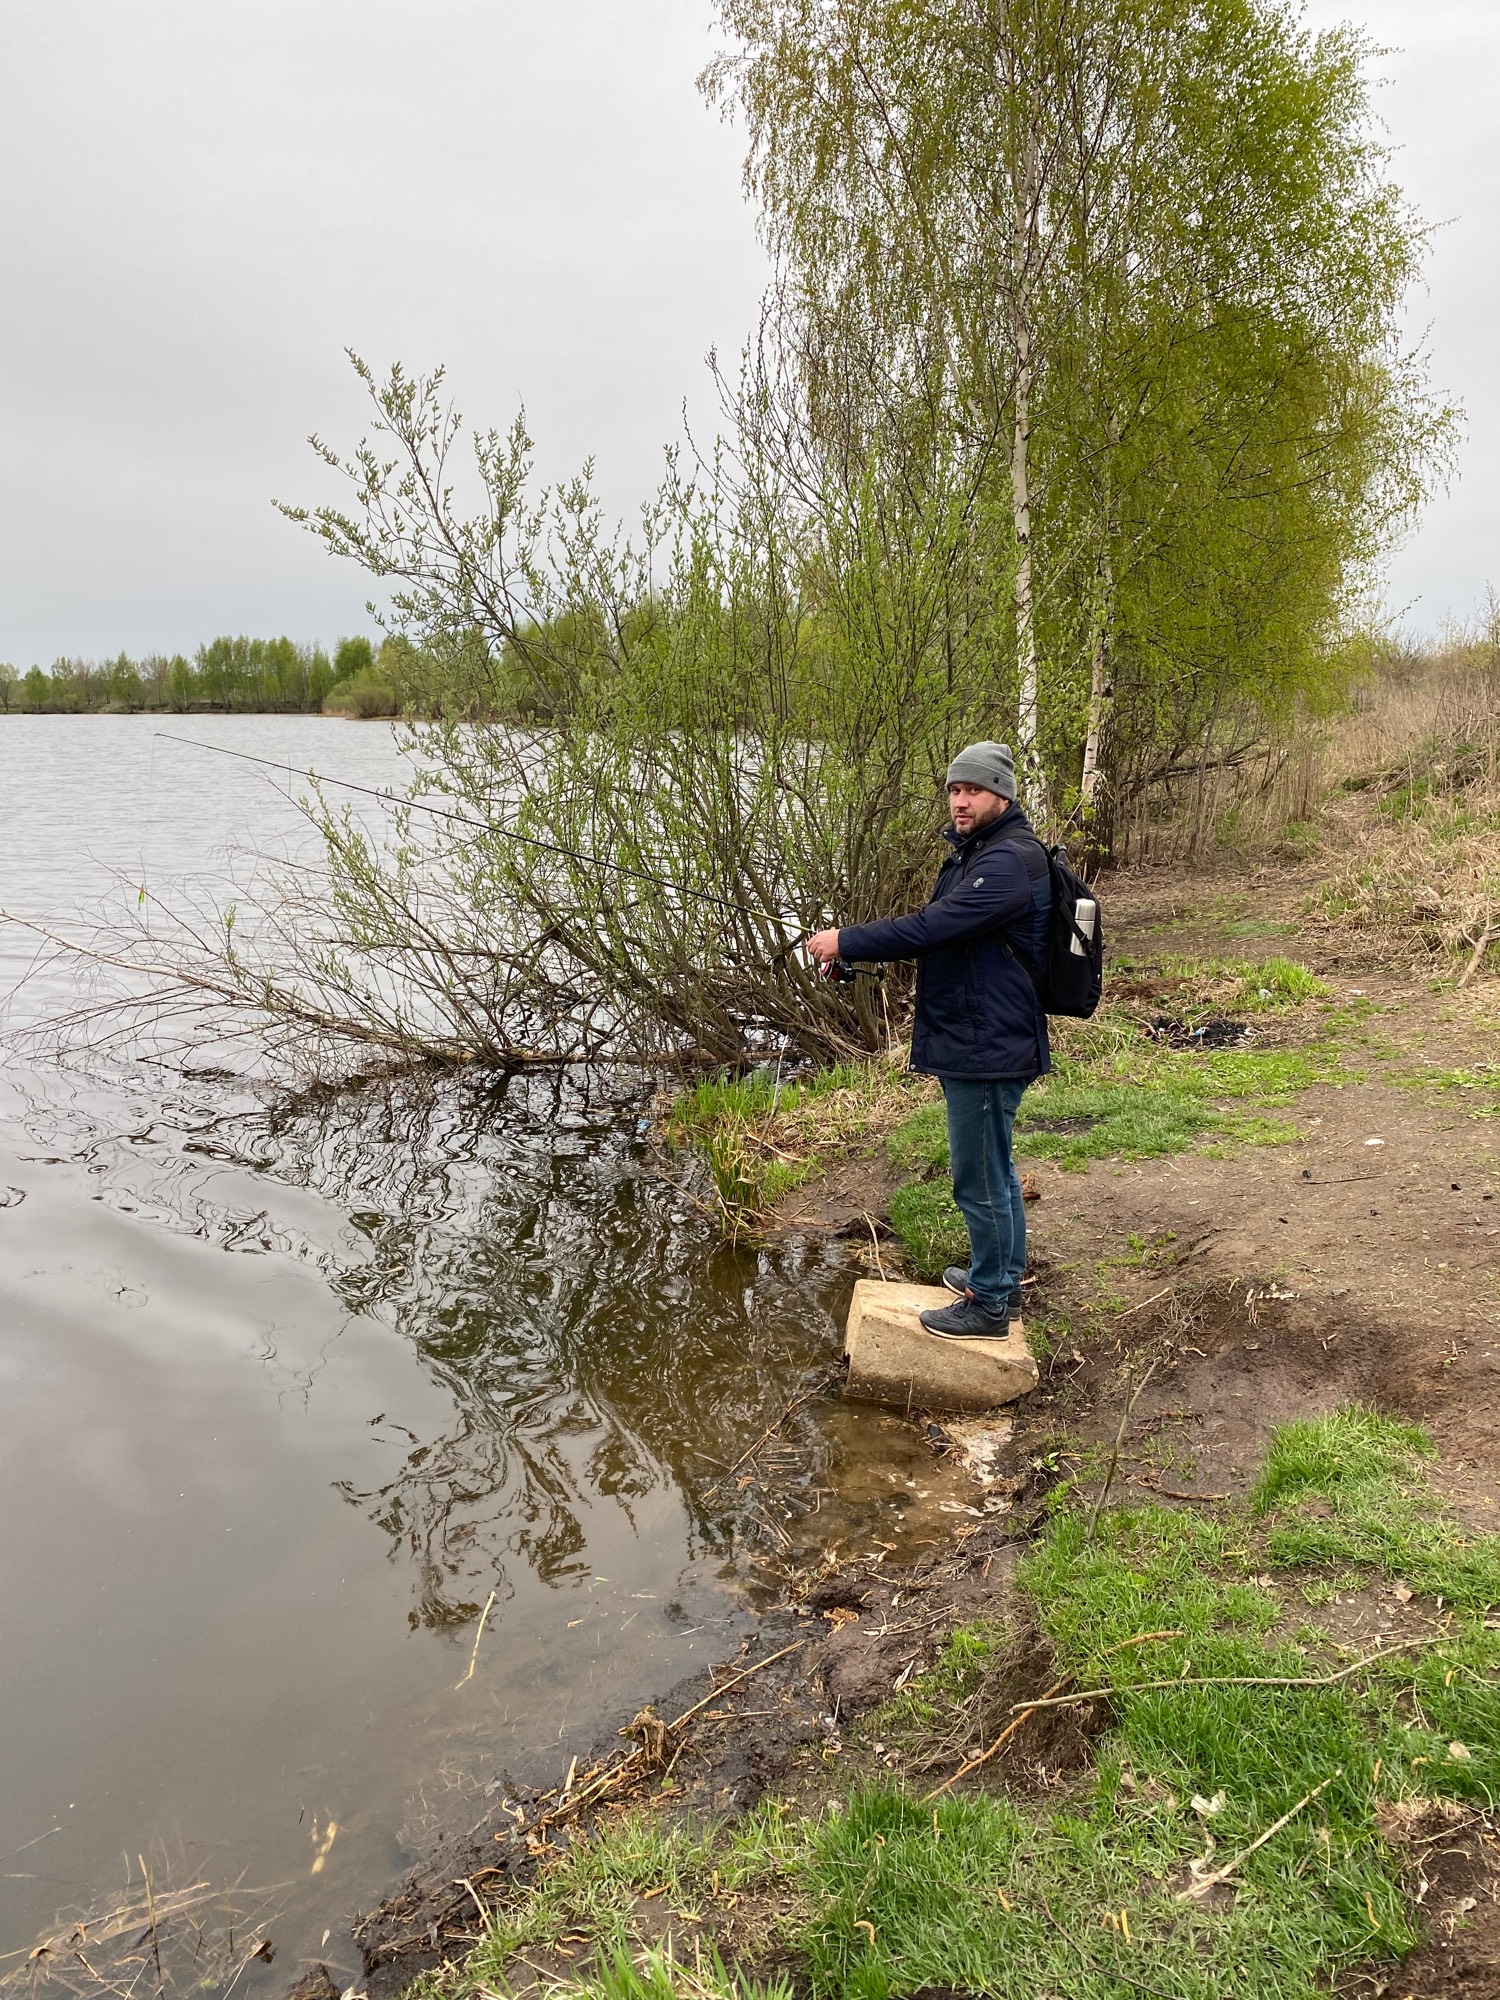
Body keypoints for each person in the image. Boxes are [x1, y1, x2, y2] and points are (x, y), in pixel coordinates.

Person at [805, 741, 1050, 1339]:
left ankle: (989, 1304)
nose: (960, 801)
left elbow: (932, 925)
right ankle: (1002, 1282)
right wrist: (868, 953)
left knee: (980, 1175)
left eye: (973, 791)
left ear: (1003, 795)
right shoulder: (979, 855)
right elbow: (947, 937)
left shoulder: (1009, 862)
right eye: (954, 790)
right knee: (994, 1168)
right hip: (976, 1034)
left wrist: (849, 941)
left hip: (987, 1043)